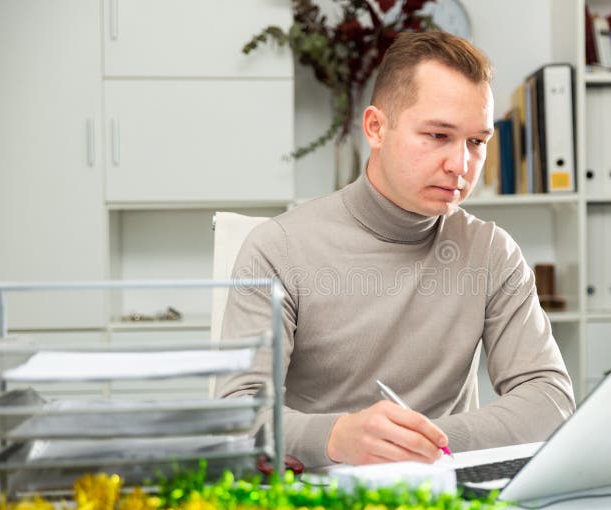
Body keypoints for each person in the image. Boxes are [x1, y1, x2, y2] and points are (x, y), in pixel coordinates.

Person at [218, 32, 575, 468]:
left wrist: (423, 443)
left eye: (476, 142)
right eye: (438, 134)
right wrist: (335, 437)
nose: (460, 165)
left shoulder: (491, 252)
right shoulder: (278, 248)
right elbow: (236, 415)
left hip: (446, 496)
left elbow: (549, 401)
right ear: (376, 128)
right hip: (319, 502)